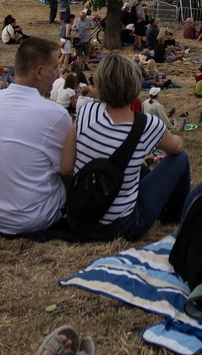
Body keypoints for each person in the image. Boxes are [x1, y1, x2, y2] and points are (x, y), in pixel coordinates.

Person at [64, 52, 189, 240]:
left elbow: (65, 168)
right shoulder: (148, 125)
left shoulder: (86, 111)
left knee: (137, 165)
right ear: (135, 85)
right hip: (121, 226)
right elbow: (176, 148)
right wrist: (176, 138)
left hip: (78, 218)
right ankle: (173, 217)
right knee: (181, 159)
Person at [0, 37, 73, 238]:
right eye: (55, 68)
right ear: (40, 72)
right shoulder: (55, 114)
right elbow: (66, 168)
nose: (57, 73)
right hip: (30, 218)